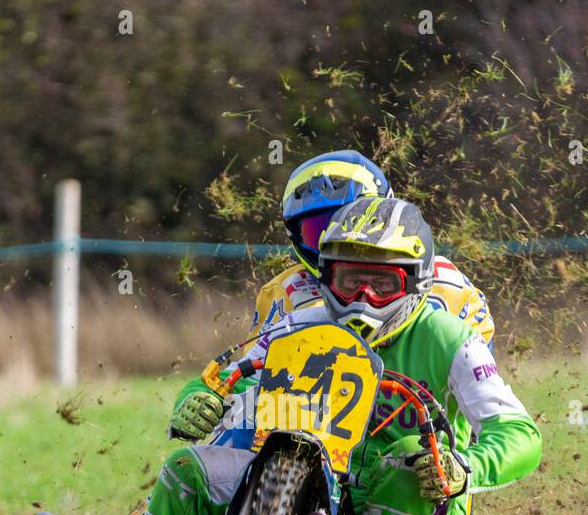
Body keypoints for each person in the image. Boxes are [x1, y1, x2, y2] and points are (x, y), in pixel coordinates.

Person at [108, 196, 541, 515]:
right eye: (349, 280)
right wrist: (200, 398)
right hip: (304, 466)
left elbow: (519, 433)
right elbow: (227, 374)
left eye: (382, 284)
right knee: (185, 470)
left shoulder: (452, 340)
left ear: (415, 282)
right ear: (326, 276)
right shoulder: (300, 322)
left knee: (407, 458)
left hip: (418, 502)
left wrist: (466, 468)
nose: (362, 298)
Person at [167, 150, 496, 442]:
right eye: (319, 232)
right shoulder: (284, 292)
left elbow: (476, 379)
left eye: (353, 219)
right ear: (296, 238)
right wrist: (203, 399)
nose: (343, 237)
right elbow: (248, 378)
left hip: (412, 428)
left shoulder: (447, 283)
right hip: (307, 431)